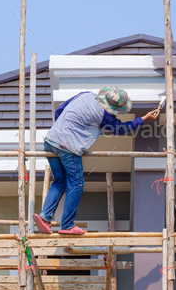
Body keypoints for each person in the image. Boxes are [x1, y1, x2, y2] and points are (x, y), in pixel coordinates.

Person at [33, 86, 160, 235]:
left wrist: (63, 132)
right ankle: (66, 225)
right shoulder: (105, 115)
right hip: (68, 147)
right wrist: (143, 118)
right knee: (76, 184)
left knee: (60, 181)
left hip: (51, 140)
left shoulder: (84, 95)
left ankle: (44, 217)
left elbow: (60, 111)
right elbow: (121, 129)